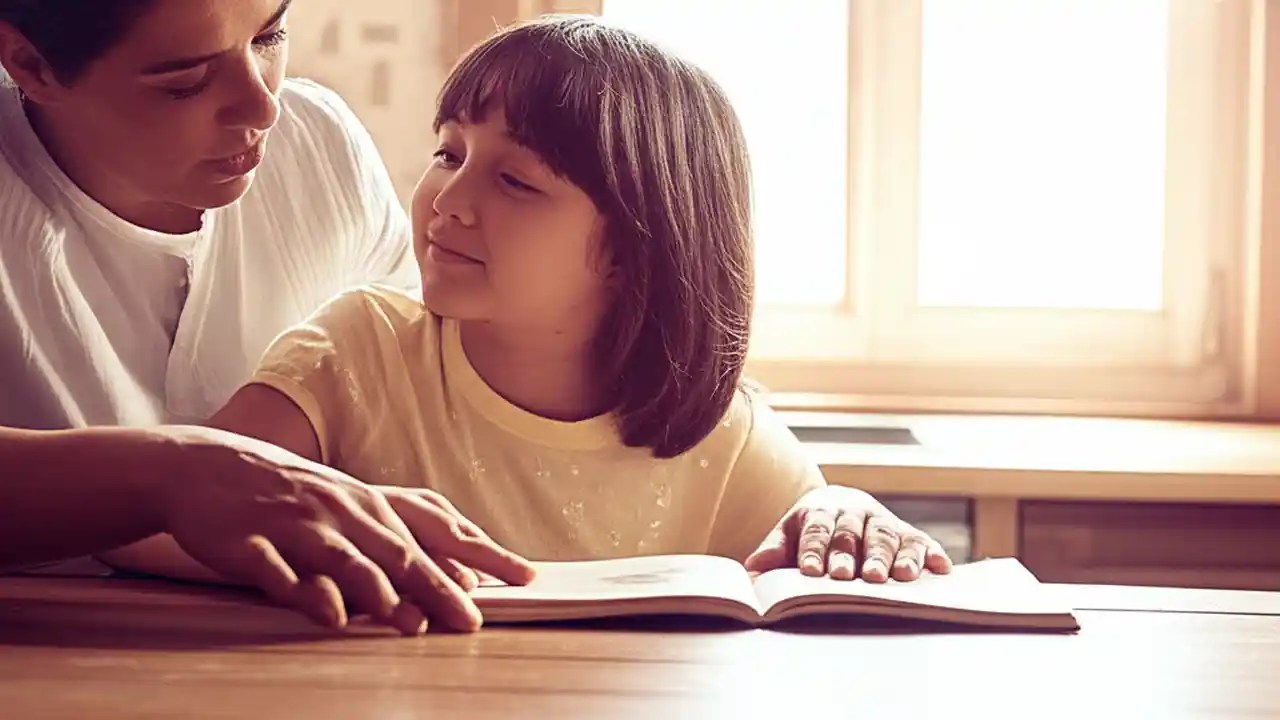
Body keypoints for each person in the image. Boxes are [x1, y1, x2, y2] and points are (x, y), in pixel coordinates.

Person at [108, 15, 954, 630]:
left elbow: (818, 568)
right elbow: (151, 525)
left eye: (515, 182)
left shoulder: (722, 437)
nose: (449, 199)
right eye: (448, 153)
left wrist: (847, 511)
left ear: (631, 249)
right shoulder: (356, 350)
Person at [0, 0, 534, 635]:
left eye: (270, 35)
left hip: (312, 649)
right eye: (185, 82)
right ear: (31, 65)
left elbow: (407, 388)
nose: (263, 107)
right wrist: (174, 474)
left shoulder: (319, 146)